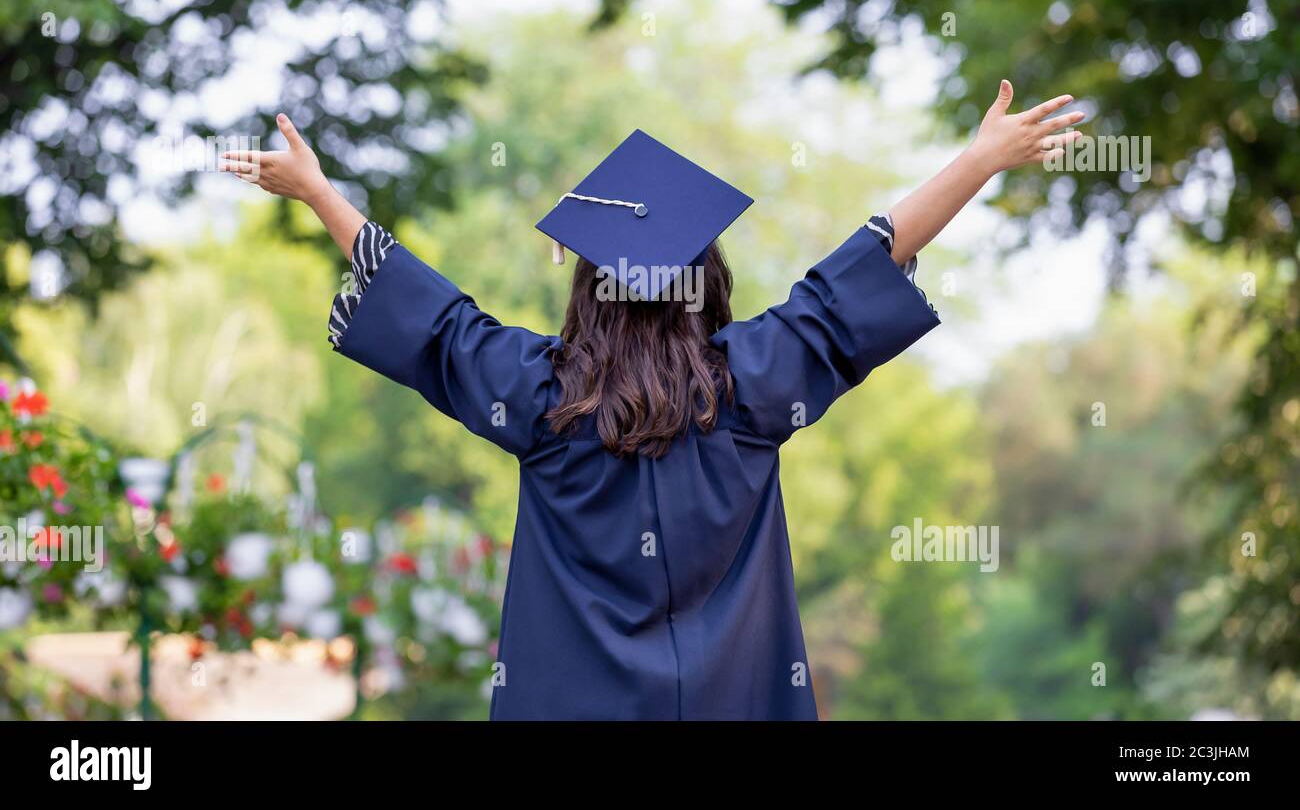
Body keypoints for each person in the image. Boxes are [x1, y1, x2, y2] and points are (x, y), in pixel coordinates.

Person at [222, 80, 1083, 720]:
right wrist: (978, 160)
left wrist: (320, 193)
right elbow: (859, 271)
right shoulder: (750, 387)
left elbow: (438, 321)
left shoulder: (539, 397)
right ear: (707, 283)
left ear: (589, 291)